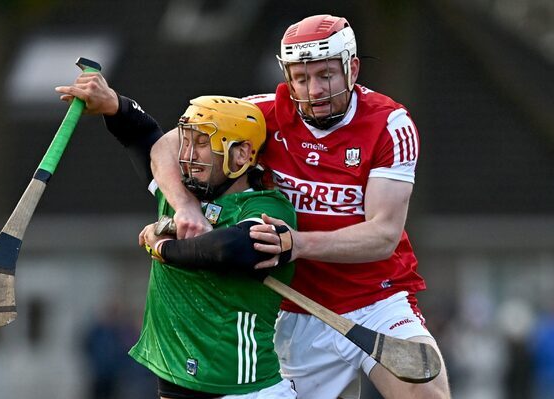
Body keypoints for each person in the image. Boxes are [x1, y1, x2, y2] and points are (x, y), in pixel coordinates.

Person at [146, 14, 451, 399]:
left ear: (352, 68)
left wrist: (298, 244)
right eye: (301, 78)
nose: (314, 90)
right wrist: (184, 207)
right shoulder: (263, 114)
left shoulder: (389, 125)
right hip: (296, 309)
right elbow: (165, 146)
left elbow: (382, 236)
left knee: (427, 393)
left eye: (326, 75)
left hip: (377, 301)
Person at [56, 79, 298, 398]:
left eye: (202, 143)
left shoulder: (266, 207)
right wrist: (113, 104)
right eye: (186, 141)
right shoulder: (180, 196)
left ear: (240, 155)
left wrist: (163, 247)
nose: (187, 155)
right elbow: (143, 136)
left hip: (243, 390)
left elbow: (231, 248)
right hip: (175, 385)